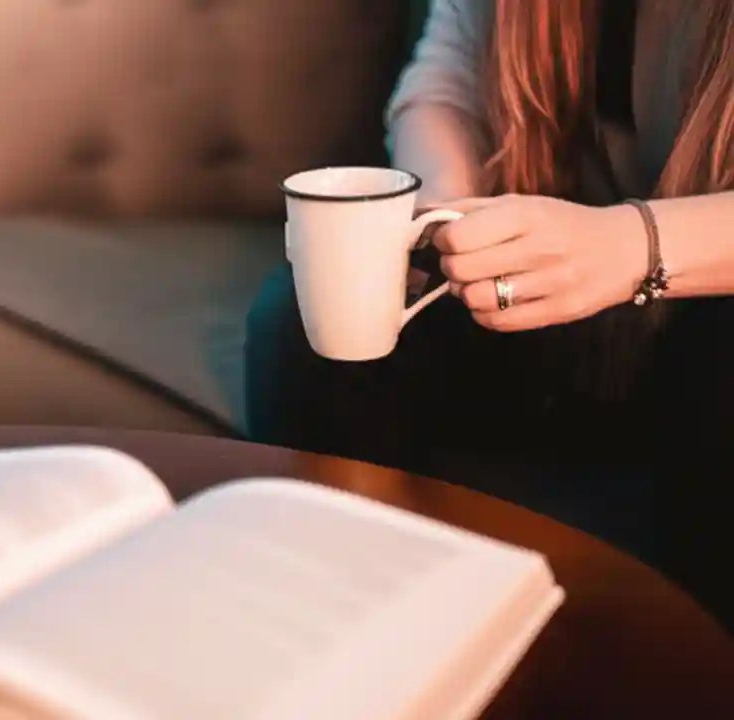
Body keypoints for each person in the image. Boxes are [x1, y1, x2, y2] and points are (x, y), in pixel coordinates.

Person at [245, 0, 733, 625]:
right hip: (543, 308)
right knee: (308, 322)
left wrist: (635, 245)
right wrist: (450, 217)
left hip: (703, 317)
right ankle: (338, 621)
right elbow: (441, 89)